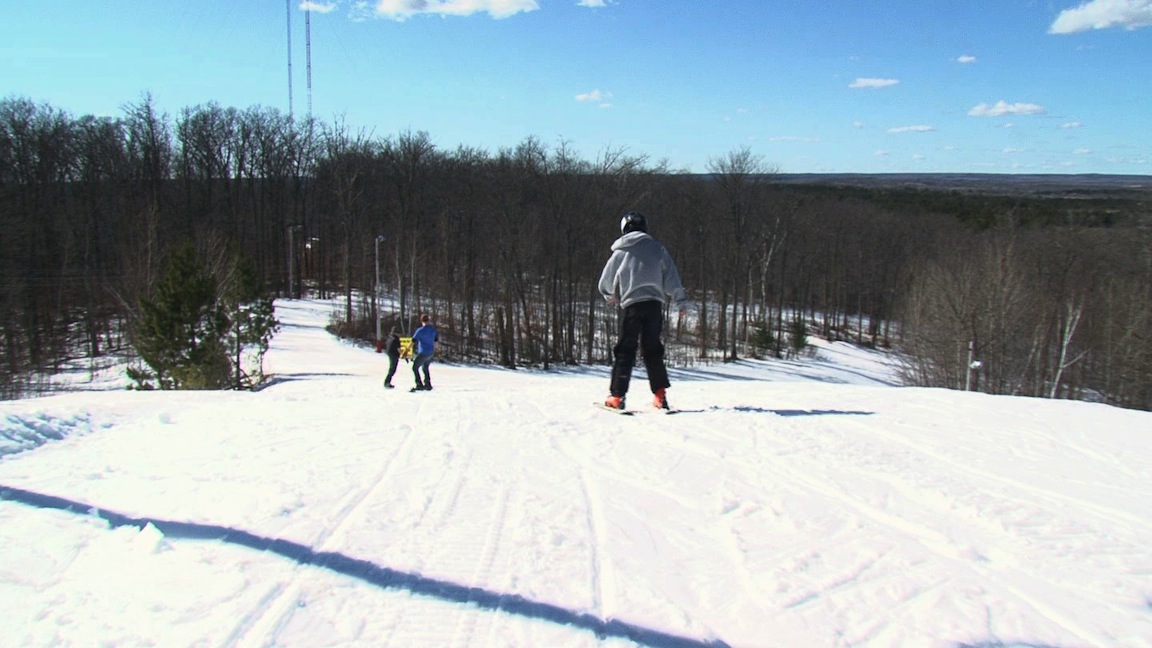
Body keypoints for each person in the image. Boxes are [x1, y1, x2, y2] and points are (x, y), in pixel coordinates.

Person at [598, 211, 687, 410]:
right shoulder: (658, 249)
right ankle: (660, 396)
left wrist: (609, 294)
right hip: (655, 306)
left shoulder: (621, 252)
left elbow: (606, 278)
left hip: (632, 307)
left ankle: (617, 397)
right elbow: (672, 277)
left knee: (625, 351)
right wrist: (680, 301)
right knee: (653, 350)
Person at [410, 314, 438, 392]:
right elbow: (435, 341)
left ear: (421, 321)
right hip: (430, 352)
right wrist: (436, 350)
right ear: (428, 320)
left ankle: (419, 384)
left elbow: (413, 341)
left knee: (415, 367)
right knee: (425, 367)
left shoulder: (420, 330)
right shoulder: (433, 330)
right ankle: (428, 384)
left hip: (423, 352)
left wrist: (407, 350)